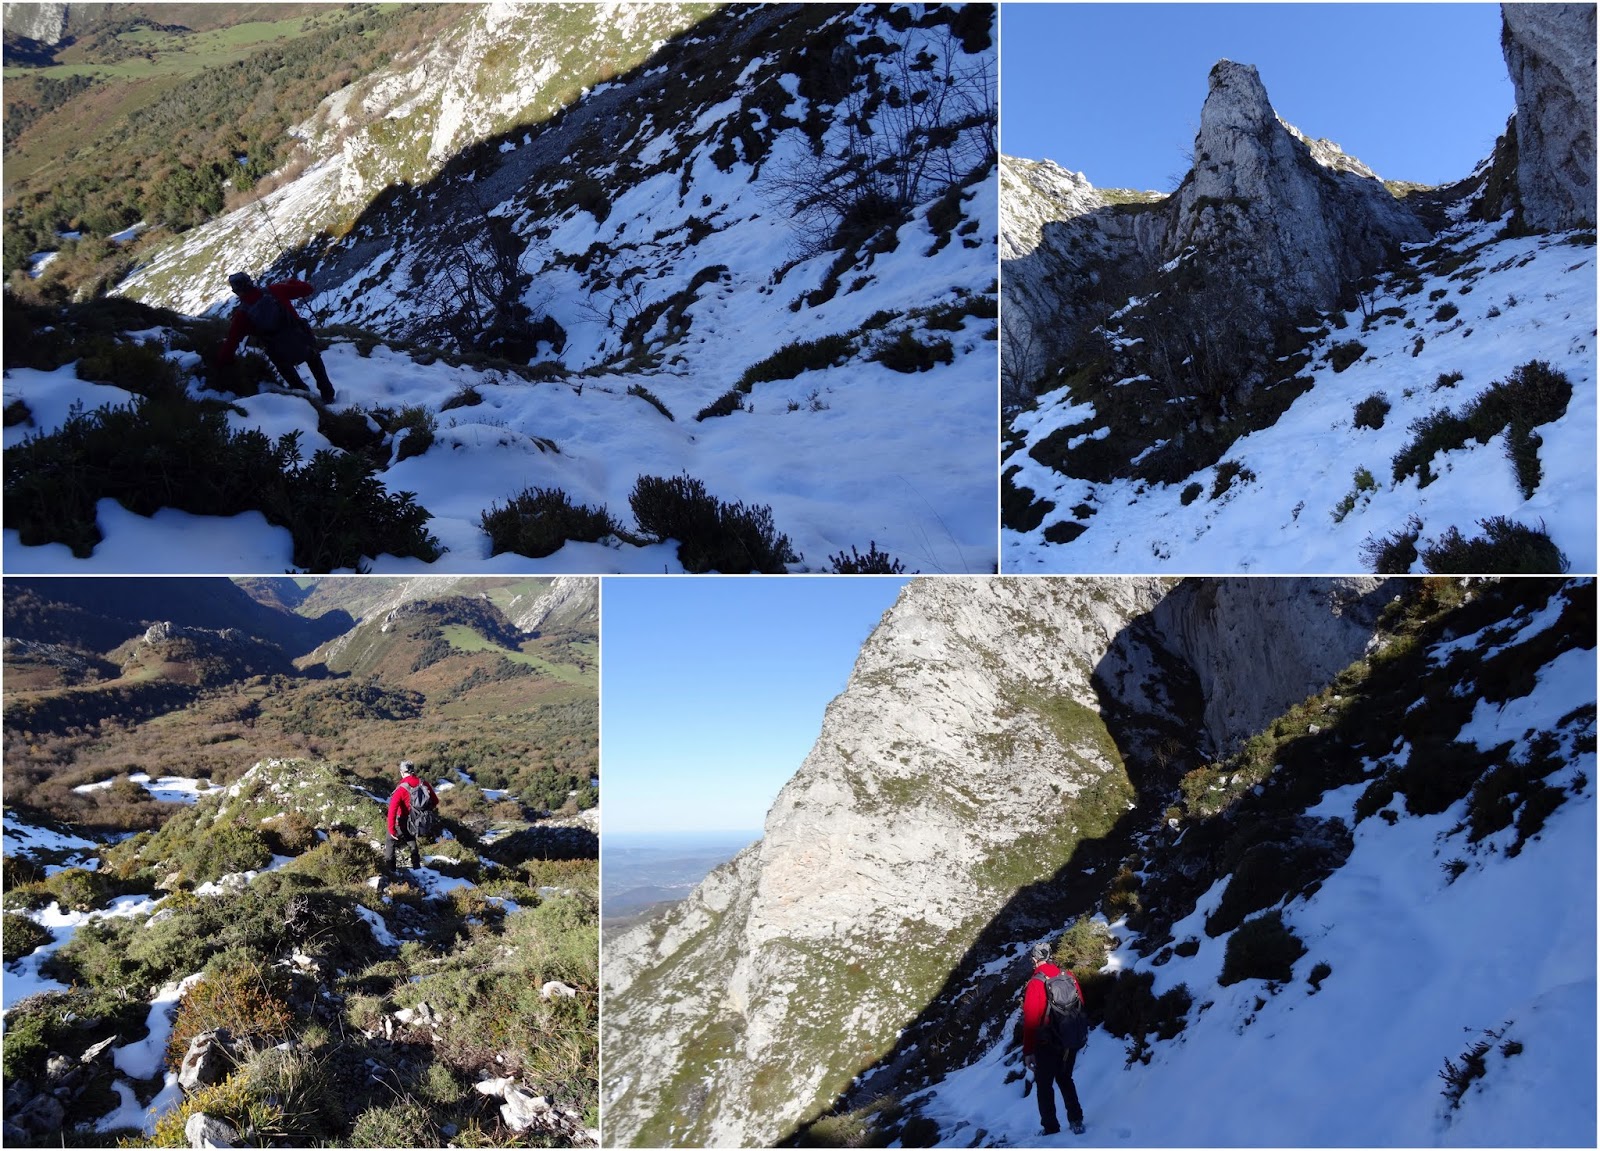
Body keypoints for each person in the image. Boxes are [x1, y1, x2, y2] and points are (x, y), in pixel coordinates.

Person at [216, 272, 335, 403]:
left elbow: (231, 343)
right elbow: (308, 289)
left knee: (284, 368)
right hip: (302, 340)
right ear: (251, 282)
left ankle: (306, 397)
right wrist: (290, 281)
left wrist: (220, 363)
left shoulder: (242, 315)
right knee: (314, 359)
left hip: (280, 353)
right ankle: (328, 394)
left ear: (236, 291)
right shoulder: (275, 290)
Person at [1022, 940, 1086, 1137]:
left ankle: (1051, 1128)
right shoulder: (1069, 976)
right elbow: (1080, 1005)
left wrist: (1028, 1052)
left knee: (1044, 1085)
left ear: (1034, 959)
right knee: (1065, 1079)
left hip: (1046, 1044)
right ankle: (1076, 1121)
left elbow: (1031, 1020)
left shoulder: (1036, 983)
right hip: (1069, 1040)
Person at [384, 761, 439, 871]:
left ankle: (390, 869)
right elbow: (435, 801)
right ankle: (416, 867)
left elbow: (392, 810)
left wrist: (391, 829)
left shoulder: (401, 788)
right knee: (411, 839)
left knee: (390, 840)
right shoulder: (423, 783)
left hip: (403, 820)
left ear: (402, 772)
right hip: (417, 820)